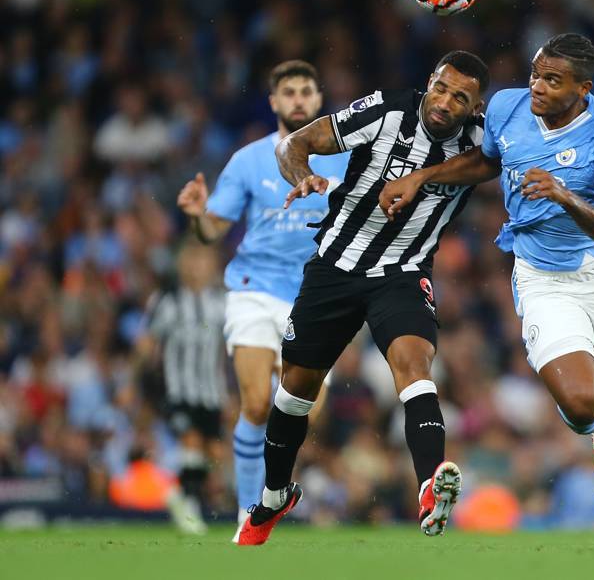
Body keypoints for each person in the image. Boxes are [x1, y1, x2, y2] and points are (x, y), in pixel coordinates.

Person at [380, 33, 594, 551]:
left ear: (583, 88)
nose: (537, 85)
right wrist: (424, 176)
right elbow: (488, 162)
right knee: (582, 404)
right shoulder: (510, 108)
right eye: (536, 73)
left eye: (552, 80)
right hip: (542, 278)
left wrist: (562, 194)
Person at [236, 50, 490, 545]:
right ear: (428, 81)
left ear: (474, 107)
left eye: (461, 98)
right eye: (441, 88)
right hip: (334, 266)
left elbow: (485, 166)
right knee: (294, 393)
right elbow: (295, 143)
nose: (445, 103)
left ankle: (430, 487)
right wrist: (302, 174)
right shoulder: (386, 110)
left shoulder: (479, 142)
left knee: (414, 365)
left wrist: (419, 177)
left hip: (403, 271)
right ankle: (273, 496)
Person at [175, 60, 350, 541]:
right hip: (253, 289)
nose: (297, 99)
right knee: (254, 402)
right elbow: (213, 231)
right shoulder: (248, 160)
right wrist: (197, 215)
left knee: (305, 414)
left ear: (319, 100)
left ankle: (273, 484)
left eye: (306, 92)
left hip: (316, 297)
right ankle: (248, 513)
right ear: (273, 102)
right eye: (288, 92)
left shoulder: (345, 157)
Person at [140, 240, 227, 534]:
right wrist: (136, 382)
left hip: (211, 391)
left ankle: (178, 493)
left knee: (213, 452)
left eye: (204, 261)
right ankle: (189, 509)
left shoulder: (221, 303)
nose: (198, 266)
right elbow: (148, 343)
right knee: (190, 439)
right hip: (177, 389)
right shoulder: (168, 301)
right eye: (193, 260)